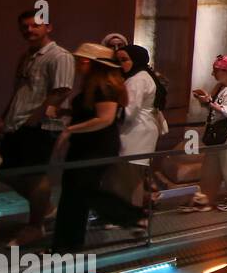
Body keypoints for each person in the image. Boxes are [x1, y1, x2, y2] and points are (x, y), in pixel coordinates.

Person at [0, 9, 75, 245]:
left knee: (34, 175)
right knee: (5, 172)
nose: (29, 30)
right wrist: (4, 116)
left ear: (48, 27)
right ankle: (46, 207)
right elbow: (20, 90)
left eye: (35, 25)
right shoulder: (28, 56)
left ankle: (35, 225)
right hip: (18, 125)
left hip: (41, 127)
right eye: (25, 26)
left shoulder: (60, 56)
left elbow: (62, 90)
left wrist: (36, 117)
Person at [51, 43, 128, 251]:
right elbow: (93, 114)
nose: (77, 64)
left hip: (95, 149)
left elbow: (105, 119)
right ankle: (65, 244)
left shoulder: (105, 87)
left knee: (75, 197)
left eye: (80, 61)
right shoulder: (95, 85)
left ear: (90, 63)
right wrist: (67, 116)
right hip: (88, 147)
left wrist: (70, 130)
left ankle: (67, 246)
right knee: (72, 195)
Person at [100, 44, 164, 224]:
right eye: (118, 60)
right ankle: (135, 215)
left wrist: (108, 115)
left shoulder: (137, 79)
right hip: (140, 131)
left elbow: (130, 110)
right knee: (133, 178)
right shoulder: (143, 76)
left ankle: (127, 216)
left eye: (125, 60)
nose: (121, 64)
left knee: (127, 177)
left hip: (135, 133)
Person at [183, 55, 227, 212]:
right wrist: (206, 100)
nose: (213, 74)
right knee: (210, 168)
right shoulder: (223, 88)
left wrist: (208, 102)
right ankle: (204, 197)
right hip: (219, 133)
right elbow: (217, 109)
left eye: (216, 71)